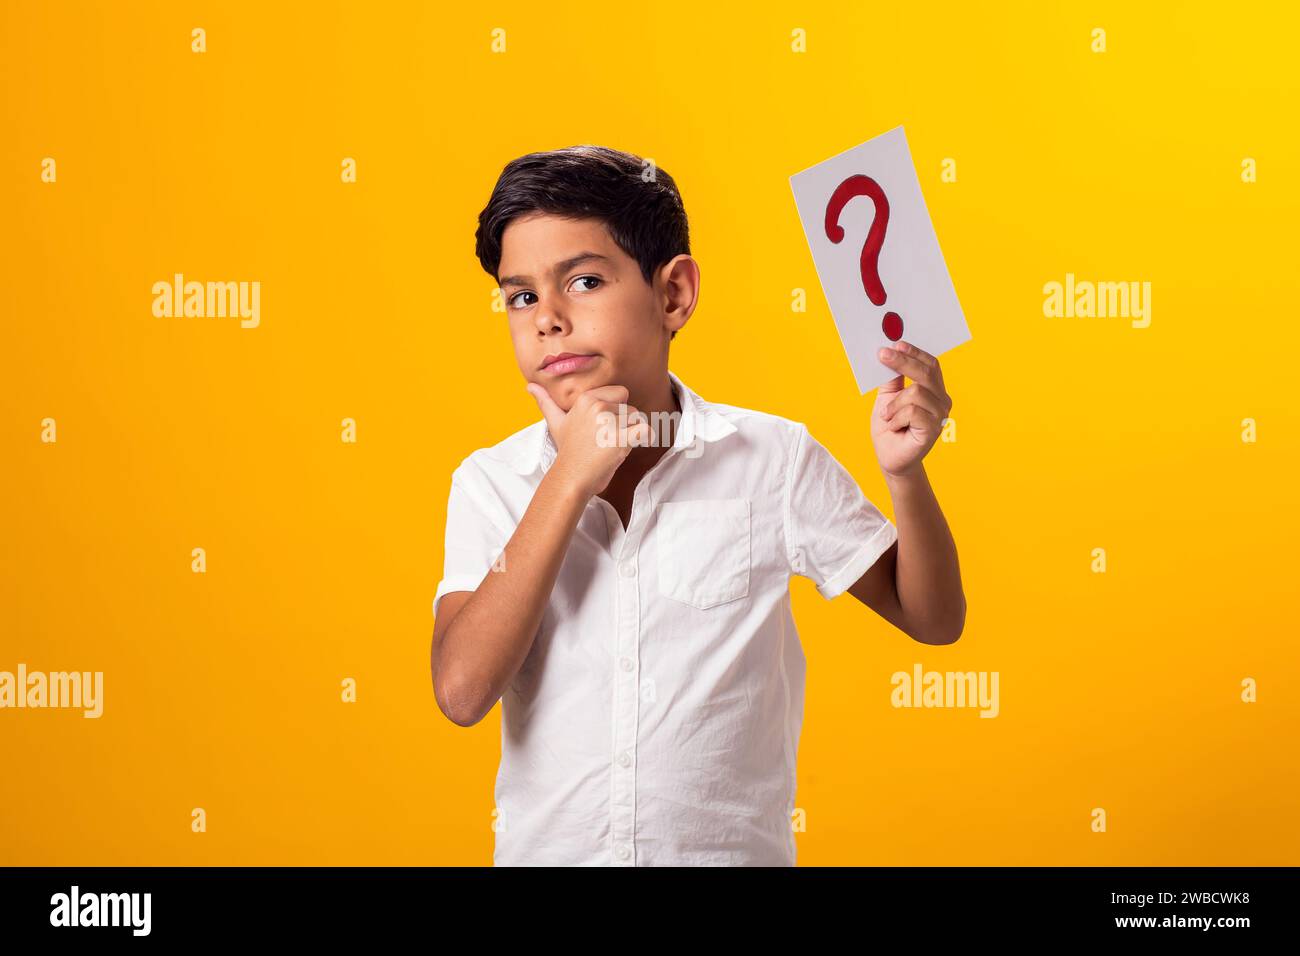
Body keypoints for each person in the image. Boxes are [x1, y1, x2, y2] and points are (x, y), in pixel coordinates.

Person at [431, 144, 966, 865]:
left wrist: (905, 476)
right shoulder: (492, 481)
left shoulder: (771, 459)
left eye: (583, 280)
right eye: (520, 295)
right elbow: (462, 691)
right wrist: (567, 481)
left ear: (673, 295)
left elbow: (932, 618)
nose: (547, 318)